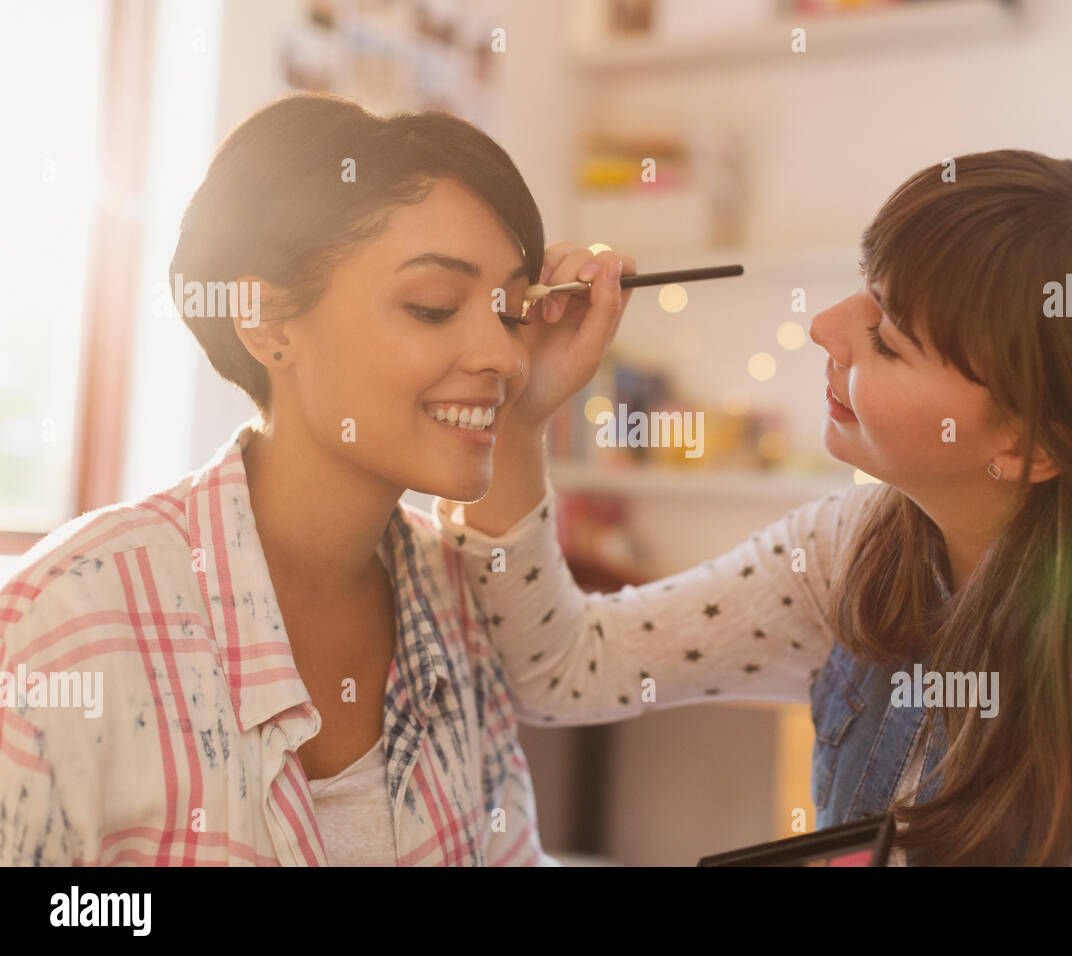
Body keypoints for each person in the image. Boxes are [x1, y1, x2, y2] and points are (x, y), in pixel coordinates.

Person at [440, 150, 1072, 865]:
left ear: (1034, 448)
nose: (826, 328)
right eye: (867, 291)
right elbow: (562, 672)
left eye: (887, 338)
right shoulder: (854, 549)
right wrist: (523, 421)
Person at [0, 92, 635, 866]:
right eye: (434, 306)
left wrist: (530, 416)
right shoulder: (69, 624)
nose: (504, 357)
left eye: (508, 312)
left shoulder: (457, 599)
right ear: (265, 323)